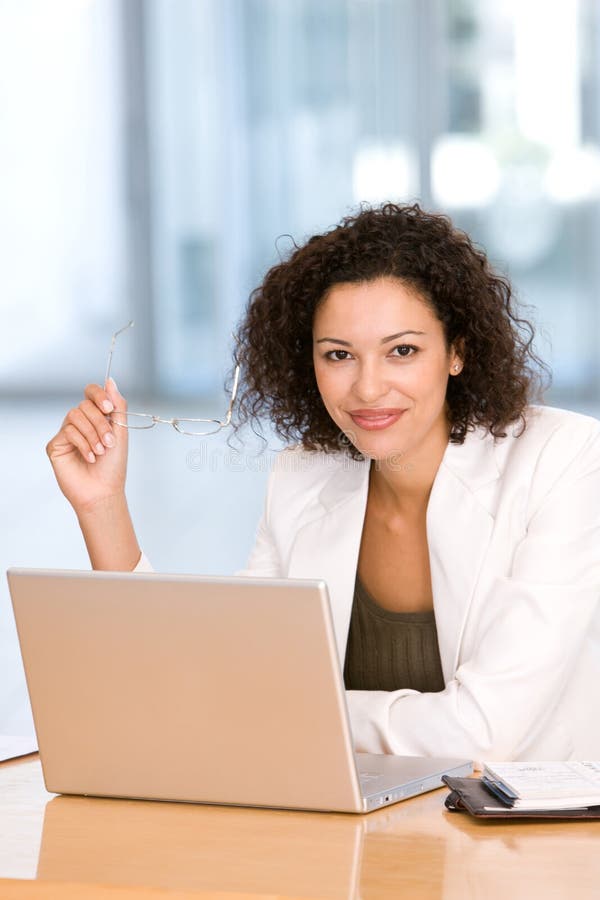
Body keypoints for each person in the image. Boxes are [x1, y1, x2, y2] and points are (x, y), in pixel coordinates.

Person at [47, 202, 600, 762]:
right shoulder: (301, 476)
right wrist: (102, 505)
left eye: (401, 351)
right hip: (349, 829)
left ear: (456, 351)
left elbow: (485, 734)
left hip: (523, 838)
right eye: (339, 355)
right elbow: (203, 678)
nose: (367, 388)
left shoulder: (562, 460)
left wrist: (291, 710)